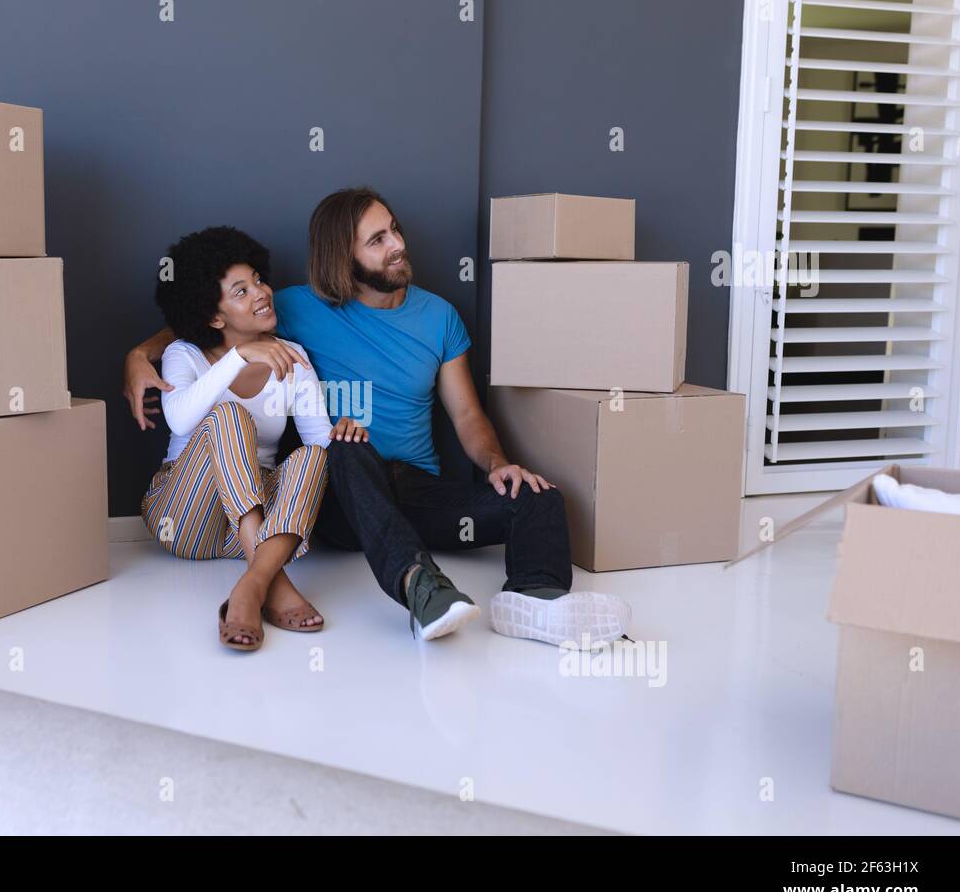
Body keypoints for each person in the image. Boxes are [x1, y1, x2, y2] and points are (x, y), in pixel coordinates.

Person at [127, 192, 630, 646]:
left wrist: (498, 463)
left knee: (539, 497)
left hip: (416, 490)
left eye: (395, 230)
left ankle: (537, 603)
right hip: (345, 492)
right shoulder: (296, 308)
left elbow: (468, 416)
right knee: (340, 447)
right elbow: (205, 319)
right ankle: (420, 587)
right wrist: (139, 355)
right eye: (378, 239)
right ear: (344, 258)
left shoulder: (439, 318)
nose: (398, 245)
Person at [142, 225, 367, 652]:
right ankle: (275, 585)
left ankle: (252, 582)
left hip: (255, 527)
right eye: (240, 291)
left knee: (313, 457)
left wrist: (345, 433)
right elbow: (179, 417)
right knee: (229, 415)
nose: (261, 293)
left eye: (258, 281)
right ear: (214, 316)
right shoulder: (183, 354)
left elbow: (320, 445)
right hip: (185, 515)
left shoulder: (292, 357)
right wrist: (239, 356)